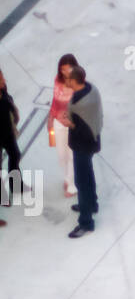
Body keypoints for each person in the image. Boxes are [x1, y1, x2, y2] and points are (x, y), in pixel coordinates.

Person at [57, 65, 101, 238]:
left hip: (83, 145)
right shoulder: (91, 88)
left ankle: (86, 222)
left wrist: (68, 123)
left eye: (68, 78)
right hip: (92, 142)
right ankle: (91, 204)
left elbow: (80, 128)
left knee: (82, 182)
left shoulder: (78, 103)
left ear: (74, 81)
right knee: (88, 174)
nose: (65, 81)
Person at [47, 53, 78, 198]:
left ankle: (72, 185)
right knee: (61, 155)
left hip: (72, 125)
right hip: (58, 123)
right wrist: (50, 119)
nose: (65, 72)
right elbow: (54, 100)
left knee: (72, 155)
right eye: (63, 69)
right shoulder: (57, 80)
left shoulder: (78, 84)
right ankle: (67, 177)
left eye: (69, 69)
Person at [0, 72, 22, 224]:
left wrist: (14, 113)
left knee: (15, 155)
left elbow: (9, 104)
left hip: (7, 132)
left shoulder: (4, 91)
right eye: (0, 78)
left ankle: (16, 185)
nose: (4, 80)